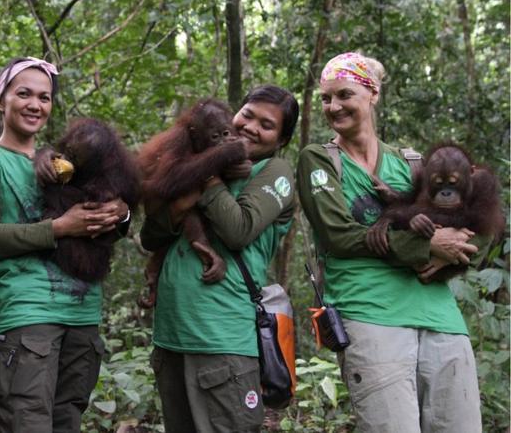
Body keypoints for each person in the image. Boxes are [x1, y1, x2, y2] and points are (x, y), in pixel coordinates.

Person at [296, 51, 485, 432]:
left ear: (373, 94)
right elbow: (340, 235)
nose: (333, 106)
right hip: (370, 314)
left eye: (344, 94)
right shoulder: (319, 160)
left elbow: (468, 226)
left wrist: (454, 244)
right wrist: (428, 246)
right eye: (326, 98)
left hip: (441, 318)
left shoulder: (414, 164)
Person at [0, 57, 129, 433]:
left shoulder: (68, 160)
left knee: (66, 421)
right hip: (30, 316)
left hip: (83, 314)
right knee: (27, 422)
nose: (35, 104)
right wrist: (60, 228)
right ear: (0, 99)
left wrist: (121, 214)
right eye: (24, 94)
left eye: (44, 97)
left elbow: (102, 218)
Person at [141, 85, 300, 433]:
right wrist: (202, 172)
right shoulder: (202, 155)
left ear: (281, 139)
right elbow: (149, 236)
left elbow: (238, 230)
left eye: (267, 125)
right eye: (247, 114)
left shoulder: (276, 172)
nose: (250, 128)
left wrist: (207, 174)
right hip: (171, 336)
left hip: (222, 337)